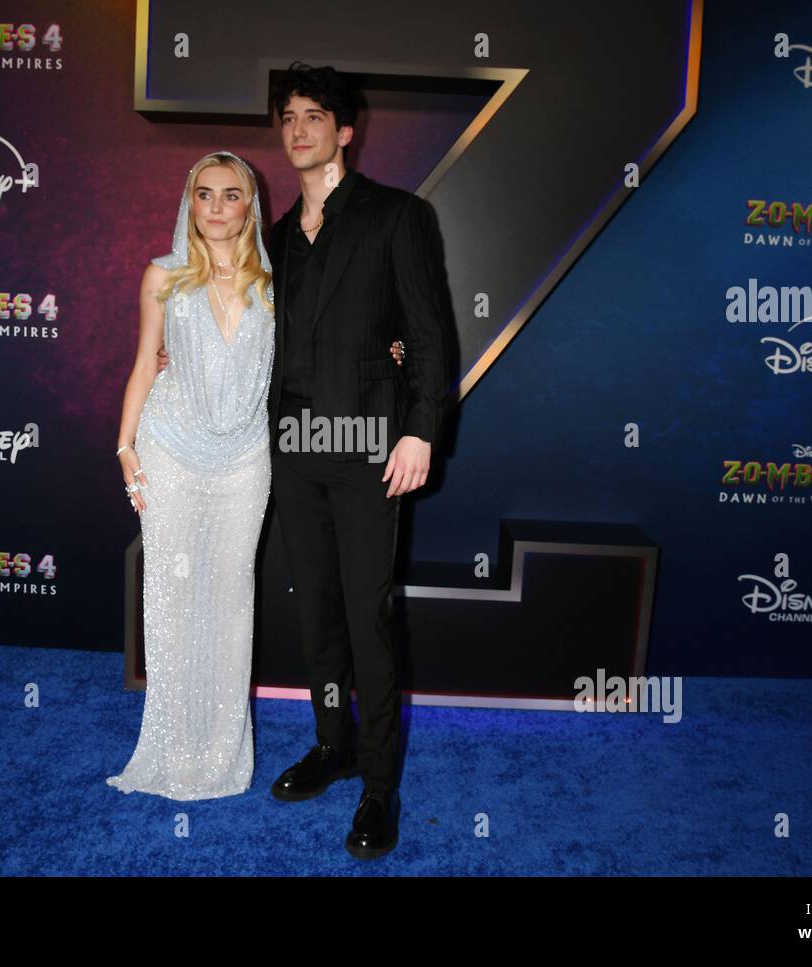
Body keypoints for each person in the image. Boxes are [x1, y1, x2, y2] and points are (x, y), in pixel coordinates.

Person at [107, 151, 404, 801]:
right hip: (172, 452)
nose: (217, 207)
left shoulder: (278, 281)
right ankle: (173, 747)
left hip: (246, 459)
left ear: (251, 204)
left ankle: (220, 754)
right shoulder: (161, 277)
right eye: (205, 194)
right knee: (173, 602)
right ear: (190, 202)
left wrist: (391, 342)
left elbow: (336, 326)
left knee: (231, 604)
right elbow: (141, 363)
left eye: (231, 195)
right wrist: (125, 448)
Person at [265, 63, 452, 859]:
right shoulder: (275, 236)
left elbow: (431, 333)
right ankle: (333, 743)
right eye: (289, 117)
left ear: (346, 130)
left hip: (370, 450)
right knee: (319, 614)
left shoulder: (397, 216)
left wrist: (421, 428)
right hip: (293, 454)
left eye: (316, 115)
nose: (300, 128)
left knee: (370, 620)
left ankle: (379, 784)